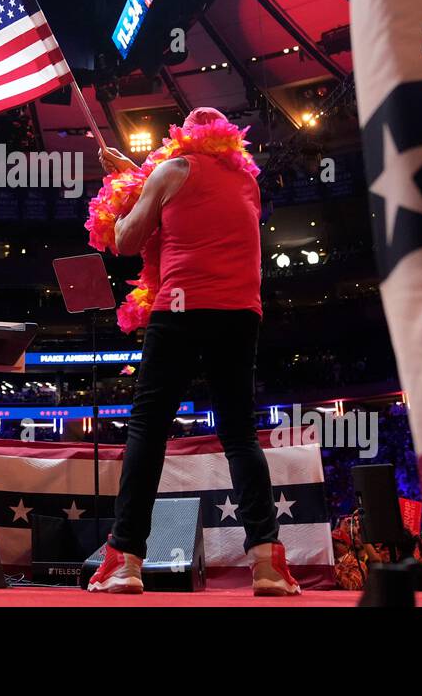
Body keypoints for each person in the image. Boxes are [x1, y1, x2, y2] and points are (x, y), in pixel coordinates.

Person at [87, 107, 300, 596]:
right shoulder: (246, 182)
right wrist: (137, 176)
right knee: (240, 433)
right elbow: (184, 196)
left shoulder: (171, 169)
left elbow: (126, 240)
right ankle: (267, 564)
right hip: (240, 313)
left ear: (182, 137)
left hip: (180, 309)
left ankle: (126, 560)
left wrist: (121, 196)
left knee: (149, 426)